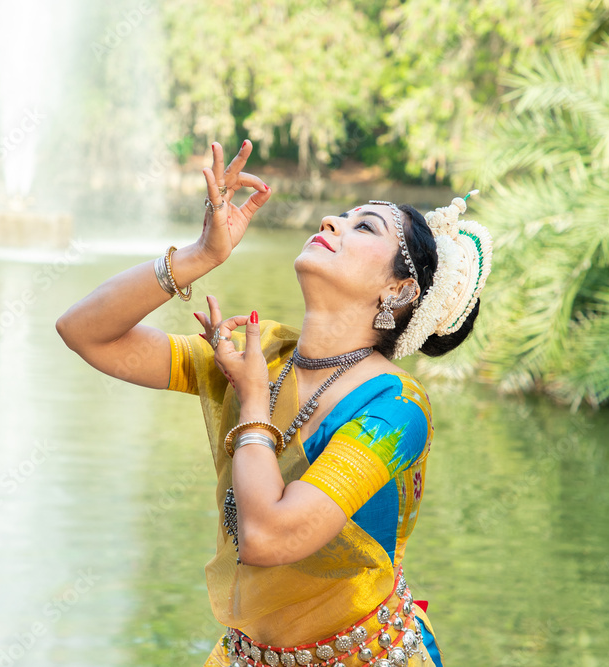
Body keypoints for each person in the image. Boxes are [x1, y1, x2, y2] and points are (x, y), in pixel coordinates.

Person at [56, 140, 493, 667]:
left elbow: (267, 536)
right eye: (344, 215)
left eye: (365, 226)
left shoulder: (396, 407)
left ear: (398, 291)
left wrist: (253, 400)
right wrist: (200, 257)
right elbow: (85, 332)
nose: (333, 220)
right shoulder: (262, 354)